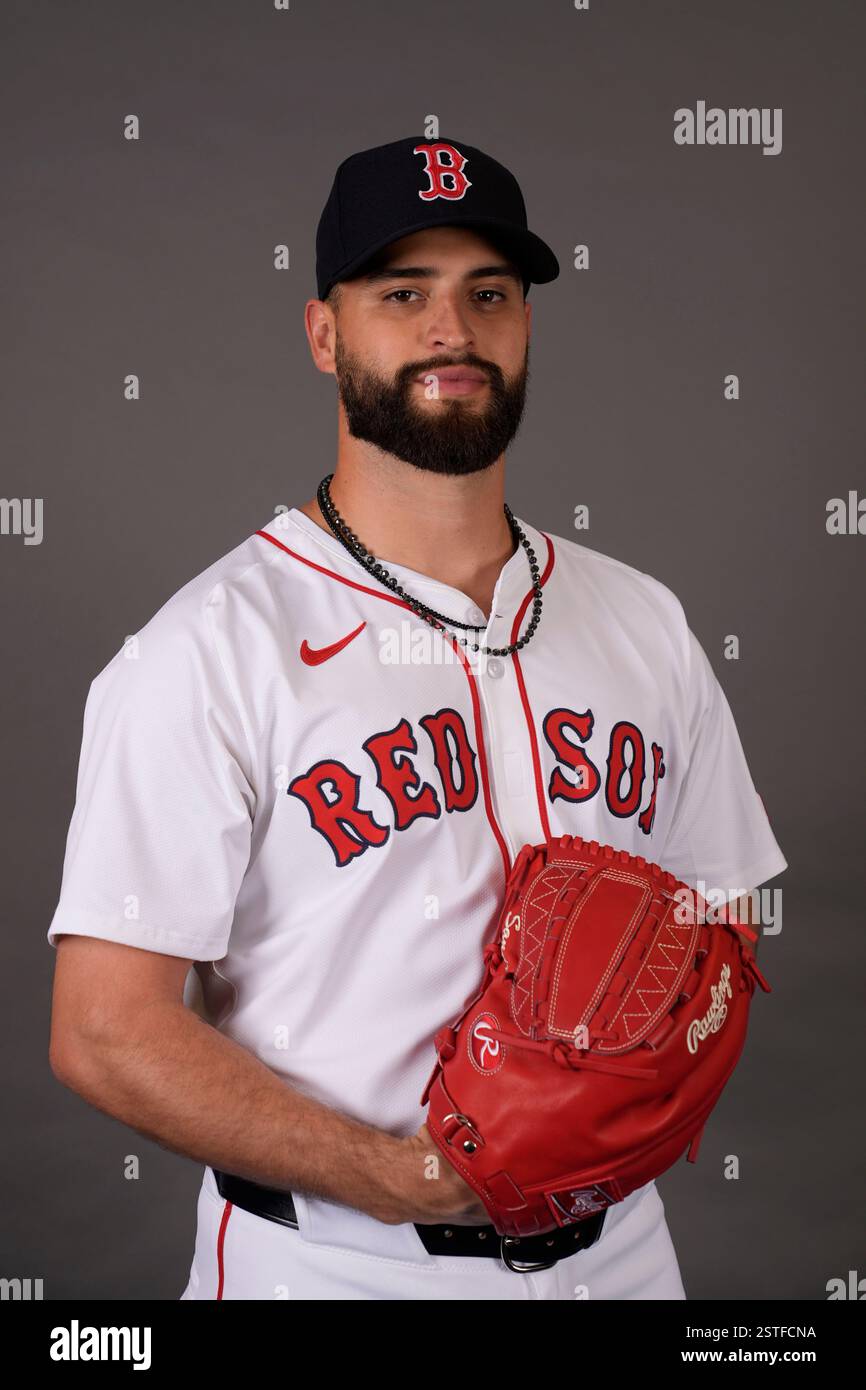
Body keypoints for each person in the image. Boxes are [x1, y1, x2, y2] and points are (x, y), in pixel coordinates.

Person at [47, 135, 786, 1300]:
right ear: (324, 335)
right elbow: (102, 1030)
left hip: (624, 1264)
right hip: (338, 1266)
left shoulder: (640, 618)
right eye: (404, 293)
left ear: (526, 327)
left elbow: (725, 912)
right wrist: (400, 1174)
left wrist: (653, 1067)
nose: (454, 328)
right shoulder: (207, 650)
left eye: (488, 293)